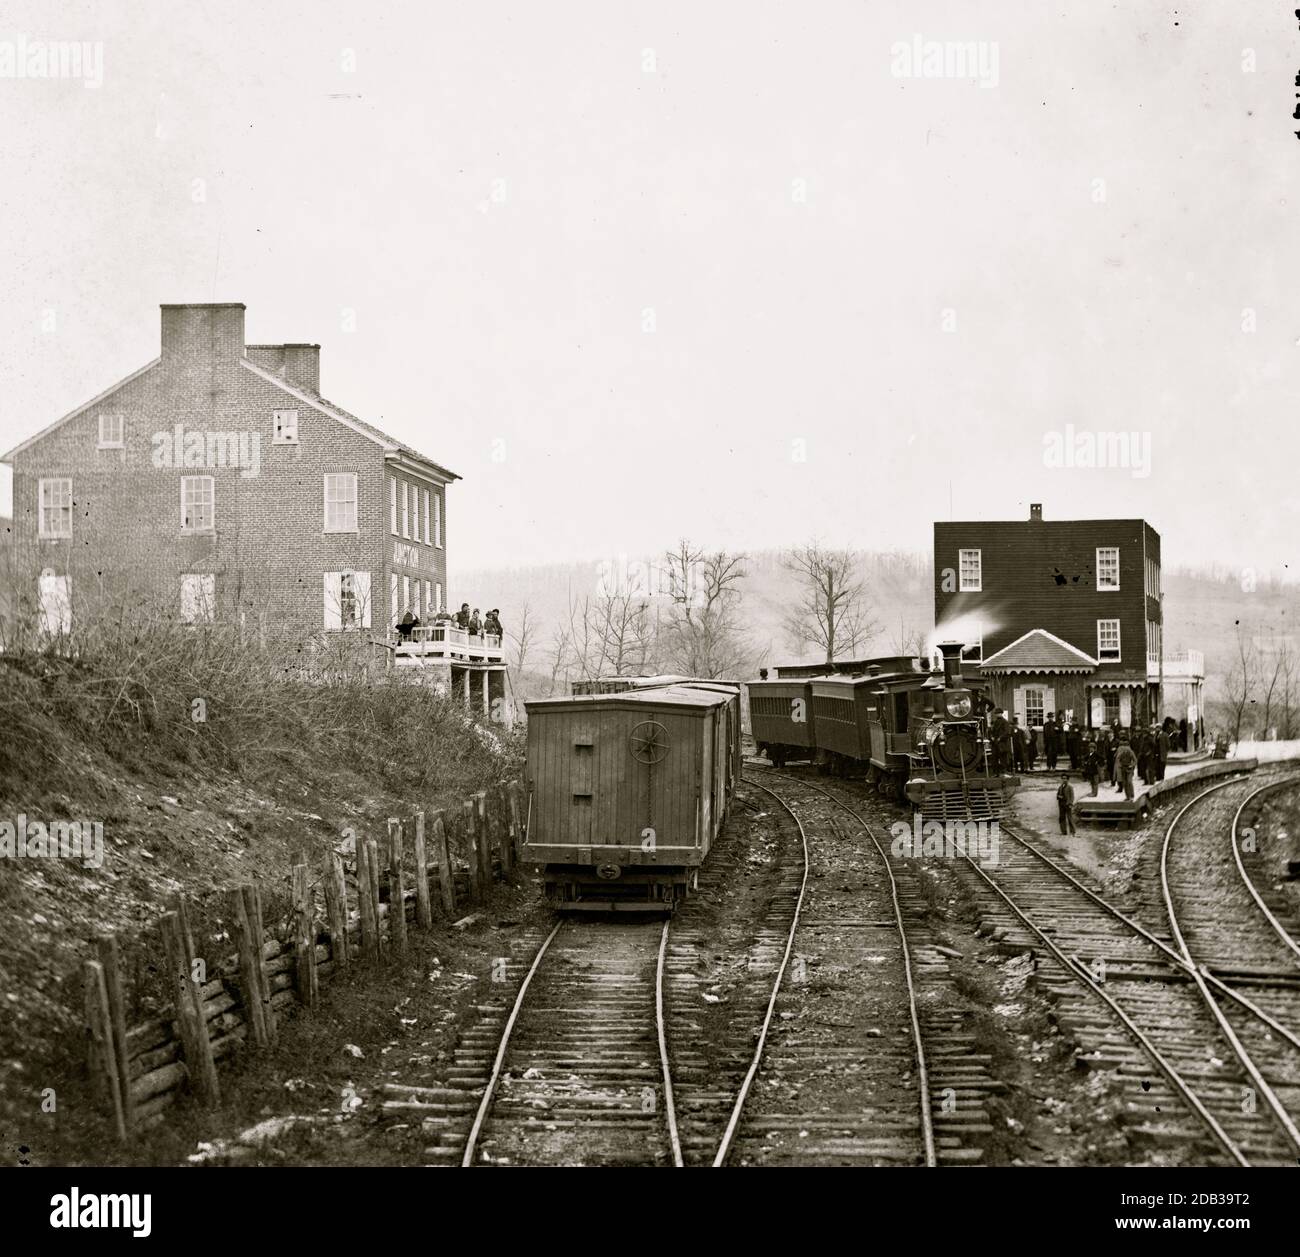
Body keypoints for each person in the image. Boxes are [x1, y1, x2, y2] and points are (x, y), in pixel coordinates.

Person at [1115, 735, 1138, 801]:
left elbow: (1135, 760)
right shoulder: (1122, 753)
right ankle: (1127, 796)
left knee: (1129, 781)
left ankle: (1132, 795)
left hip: (1129, 769)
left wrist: (1132, 765)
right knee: (1125, 783)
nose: (1125, 748)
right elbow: (1118, 759)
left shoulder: (1131, 752)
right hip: (1123, 768)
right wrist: (1119, 765)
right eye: (1124, 746)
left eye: (1126, 746)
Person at [990, 708, 1010, 774]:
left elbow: (1006, 732)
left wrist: (1000, 738)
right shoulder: (995, 722)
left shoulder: (1005, 722)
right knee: (994, 758)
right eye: (996, 714)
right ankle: (995, 773)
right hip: (995, 743)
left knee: (1003, 759)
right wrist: (992, 737)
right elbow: (992, 731)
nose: (997, 715)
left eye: (998, 713)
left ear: (1001, 713)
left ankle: (1004, 772)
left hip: (1002, 743)